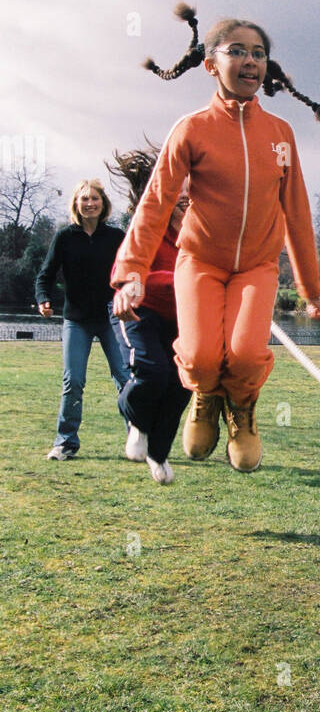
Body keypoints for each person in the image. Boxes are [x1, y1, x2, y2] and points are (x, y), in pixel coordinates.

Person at [111, 4, 320, 472]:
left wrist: (311, 289)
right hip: (201, 262)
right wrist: (130, 274)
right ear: (211, 64)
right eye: (239, 51)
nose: (251, 61)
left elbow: (297, 213)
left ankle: (243, 414)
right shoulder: (191, 129)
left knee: (249, 352)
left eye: (259, 53)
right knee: (198, 355)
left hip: (257, 266)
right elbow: (154, 204)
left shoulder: (282, 135)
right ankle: (205, 398)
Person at [107, 147, 191, 485]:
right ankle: (135, 419)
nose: (185, 202)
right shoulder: (146, 228)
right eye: (179, 197)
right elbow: (125, 268)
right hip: (139, 313)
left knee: (182, 383)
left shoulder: (203, 234)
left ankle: (158, 453)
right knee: (153, 372)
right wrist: (131, 283)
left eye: (190, 196)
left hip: (181, 318)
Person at [36, 180, 131, 460]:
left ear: (103, 204)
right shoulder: (65, 238)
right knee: (73, 380)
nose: (89, 203)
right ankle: (65, 442)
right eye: (84, 199)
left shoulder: (116, 237)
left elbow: (130, 271)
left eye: (95, 199)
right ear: (77, 204)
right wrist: (43, 298)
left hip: (111, 318)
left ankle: (138, 439)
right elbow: (45, 274)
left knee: (125, 378)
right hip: (76, 320)